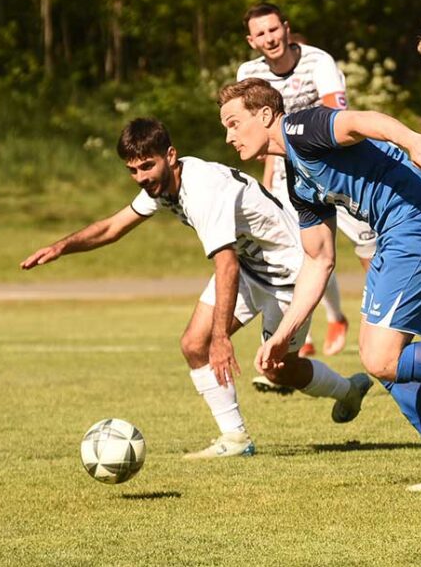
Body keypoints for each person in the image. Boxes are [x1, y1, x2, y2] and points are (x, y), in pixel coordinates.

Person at [218, 78, 421, 491]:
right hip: (395, 236)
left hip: (419, 224)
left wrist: (411, 139)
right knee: (386, 364)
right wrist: (283, 336)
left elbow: (361, 120)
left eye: (234, 123)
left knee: (380, 358)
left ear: (265, 114)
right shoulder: (297, 182)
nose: (229, 136)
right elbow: (319, 262)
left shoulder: (302, 128)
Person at [20, 118, 372, 458]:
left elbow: (226, 263)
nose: (141, 177)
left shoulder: (202, 188)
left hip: (291, 276)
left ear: (170, 156)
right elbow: (113, 227)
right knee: (193, 344)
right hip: (252, 269)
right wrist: (62, 247)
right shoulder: (161, 186)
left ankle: (349, 390)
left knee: (276, 369)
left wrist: (222, 337)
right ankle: (234, 437)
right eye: (133, 170)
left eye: (147, 166)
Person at [237, 3, 377, 361]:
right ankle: (303, 337)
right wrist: (268, 179)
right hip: (290, 177)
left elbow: (338, 116)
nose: (270, 38)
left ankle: (389, 323)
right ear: (252, 41)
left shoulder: (319, 62)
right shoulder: (249, 73)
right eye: (261, 34)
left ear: (286, 27)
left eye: (274, 29)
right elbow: (255, 130)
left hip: (334, 172)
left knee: (369, 252)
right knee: (305, 255)